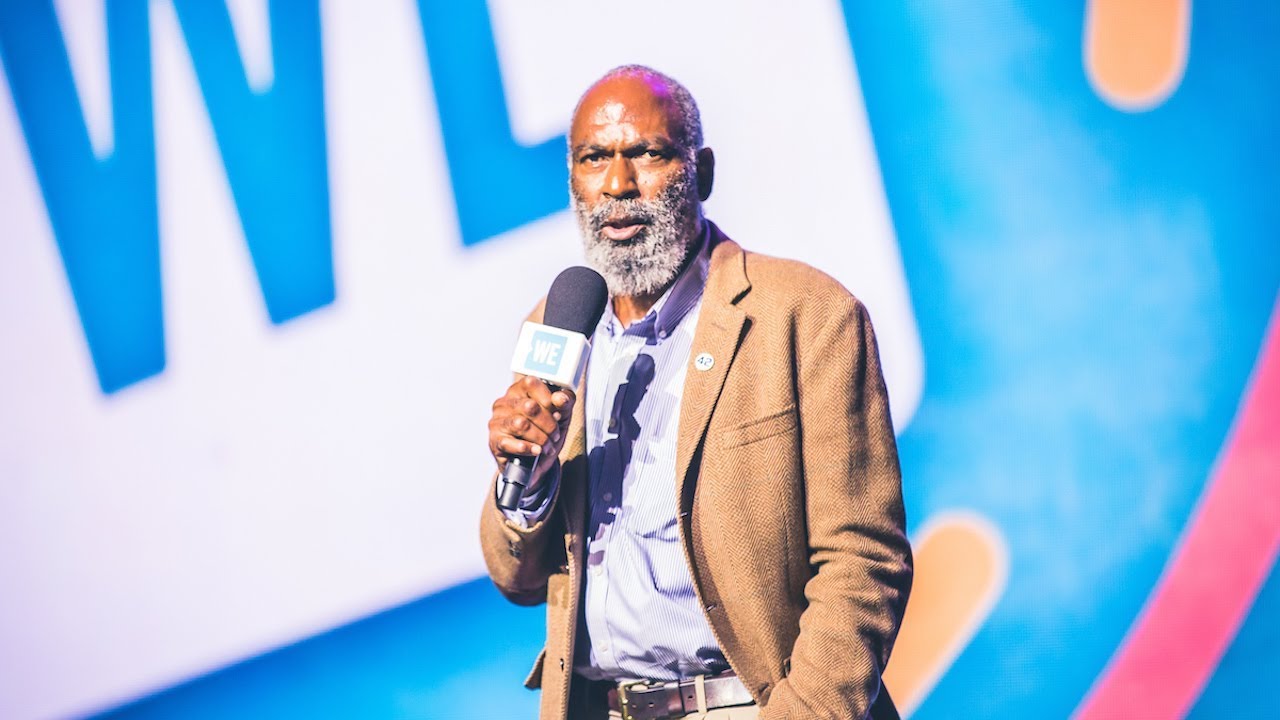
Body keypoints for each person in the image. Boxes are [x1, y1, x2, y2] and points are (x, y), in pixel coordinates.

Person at [480, 65, 912, 720]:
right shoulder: (557, 325)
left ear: (700, 171)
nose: (618, 186)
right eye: (594, 159)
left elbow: (862, 560)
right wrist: (527, 483)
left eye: (646, 154)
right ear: (572, 180)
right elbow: (517, 577)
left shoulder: (803, 315)